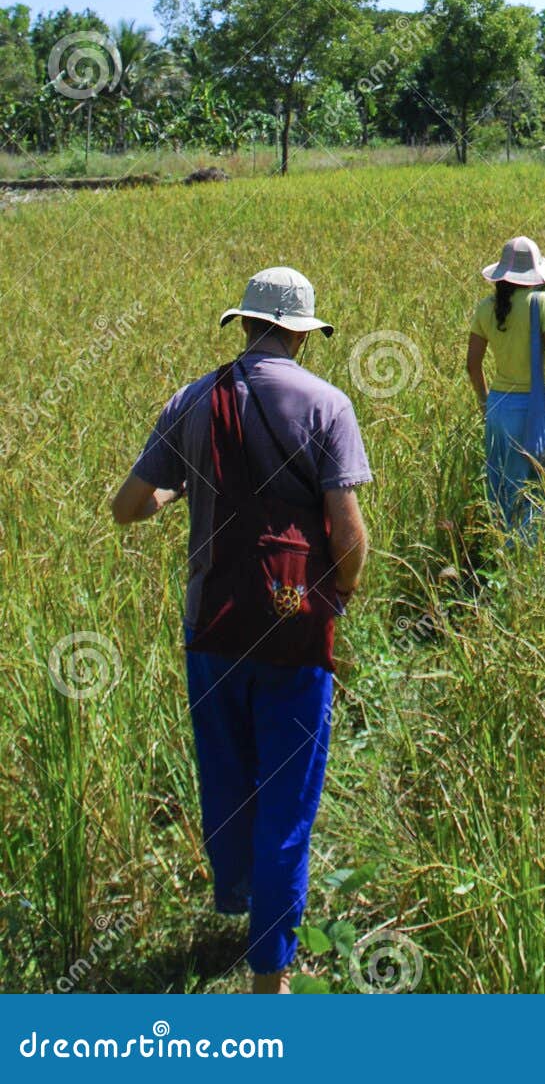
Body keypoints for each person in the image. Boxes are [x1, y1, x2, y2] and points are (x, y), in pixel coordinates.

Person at [111, 268, 371, 995]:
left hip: (212, 622)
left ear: (246, 324)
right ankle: (271, 973)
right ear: (300, 333)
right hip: (293, 627)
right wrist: (336, 599)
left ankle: (243, 903)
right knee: (289, 796)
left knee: (228, 778)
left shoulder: (193, 398)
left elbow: (128, 507)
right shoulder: (327, 404)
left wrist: (182, 483)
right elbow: (348, 536)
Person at [466, 236, 545, 542]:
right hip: (537, 408)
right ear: (534, 274)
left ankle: (500, 550)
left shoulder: (485, 308)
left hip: (499, 409)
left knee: (504, 486)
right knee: (542, 487)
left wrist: (485, 401)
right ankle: (529, 556)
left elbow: (473, 364)